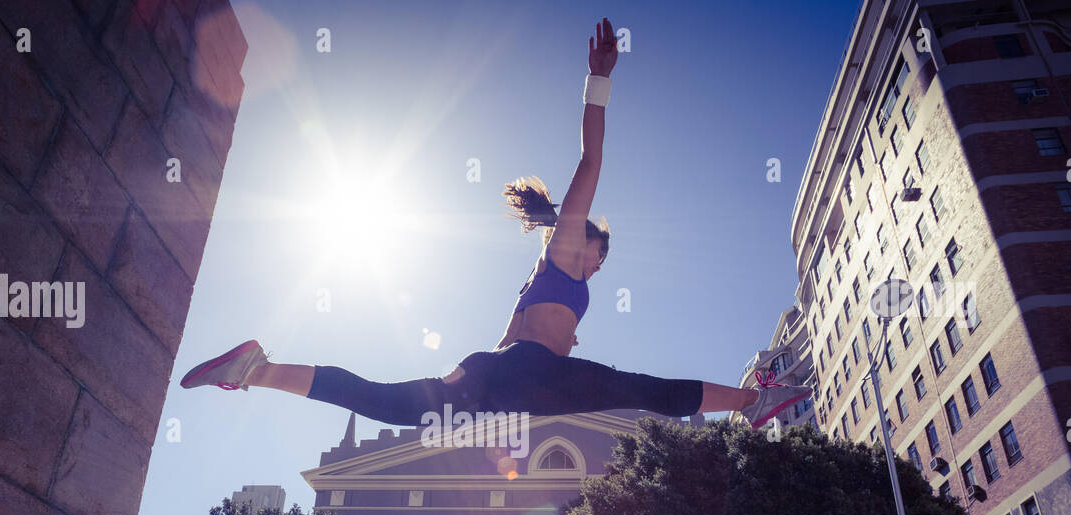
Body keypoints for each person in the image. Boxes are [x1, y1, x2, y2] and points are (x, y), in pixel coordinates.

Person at [181, 18, 810, 430]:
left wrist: (472, 398)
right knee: (647, 390)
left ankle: (256, 371)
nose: (598, 267)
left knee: (388, 402)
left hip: (501, 378)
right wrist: (598, 82)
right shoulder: (565, 252)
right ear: (581, 242)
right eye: (600, 255)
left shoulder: (538, 280)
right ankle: (756, 400)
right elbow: (591, 159)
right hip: (529, 377)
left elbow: (501, 347)